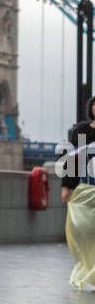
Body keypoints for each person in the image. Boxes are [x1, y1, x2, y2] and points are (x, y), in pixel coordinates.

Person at [59, 95, 95, 290]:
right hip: (87, 190)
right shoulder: (81, 132)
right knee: (84, 230)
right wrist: (67, 186)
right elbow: (72, 161)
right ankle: (87, 269)